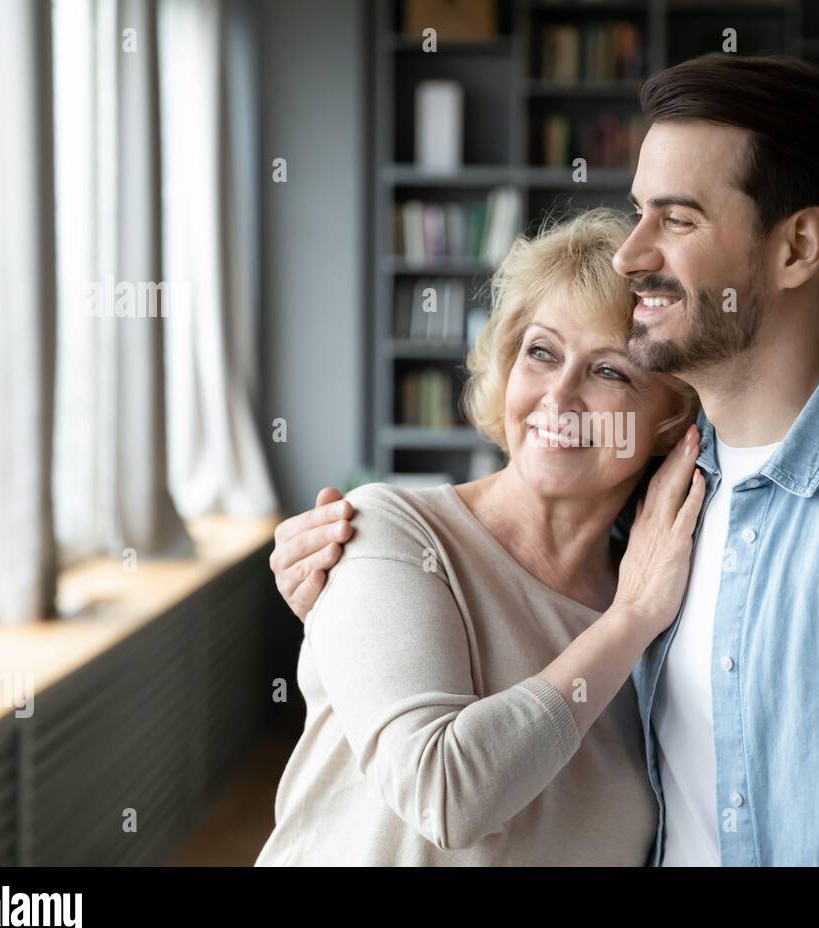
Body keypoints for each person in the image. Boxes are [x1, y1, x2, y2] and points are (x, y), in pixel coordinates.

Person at [271, 55, 819, 866]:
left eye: (677, 218)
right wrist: (346, 592)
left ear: (798, 248)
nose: (631, 252)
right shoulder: (666, 513)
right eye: (638, 210)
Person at [257, 208, 701, 865]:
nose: (559, 397)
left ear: (671, 420)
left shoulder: (668, 598)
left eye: (610, 371)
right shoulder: (388, 530)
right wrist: (630, 620)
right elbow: (447, 794)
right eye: (541, 352)